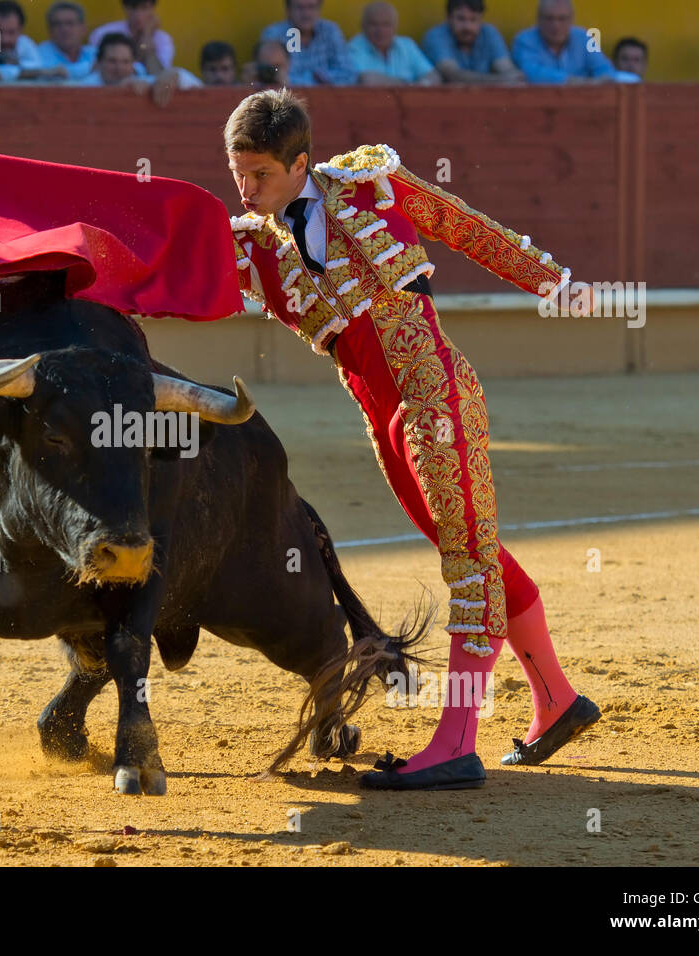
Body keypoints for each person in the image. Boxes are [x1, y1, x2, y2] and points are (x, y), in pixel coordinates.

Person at [225, 88, 599, 789]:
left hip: (435, 392)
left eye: (261, 176)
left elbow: (465, 228)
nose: (246, 190)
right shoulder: (253, 248)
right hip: (380, 415)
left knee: (466, 558)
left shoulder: (371, 185)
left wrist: (553, 283)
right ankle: (557, 702)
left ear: (299, 163)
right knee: (470, 546)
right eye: (237, 174)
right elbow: (174, 278)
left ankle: (457, 738)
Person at [512, 0, 615, 84]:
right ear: (538, 19)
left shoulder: (584, 38)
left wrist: (603, 79)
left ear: (571, 20)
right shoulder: (524, 40)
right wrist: (572, 81)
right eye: (549, 18)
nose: (555, 25)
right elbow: (530, 72)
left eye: (562, 19)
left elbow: (605, 69)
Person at [422, 0, 522, 84]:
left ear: (481, 19)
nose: (467, 27)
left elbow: (507, 69)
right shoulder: (436, 36)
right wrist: (500, 80)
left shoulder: (489, 33)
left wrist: (511, 77)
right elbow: (453, 75)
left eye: (473, 19)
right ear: (448, 18)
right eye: (461, 19)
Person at [261, 0, 355, 86]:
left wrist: (294, 80)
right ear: (288, 10)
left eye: (311, 7)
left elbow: (349, 75)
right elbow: (270, 77)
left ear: (319, 9)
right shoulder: (274, 34)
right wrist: (318, 80)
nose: (306, 14)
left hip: (327, 99)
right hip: (287, 100)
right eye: (300, 8)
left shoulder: (330, 31)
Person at [348, 1, 440, 86]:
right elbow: (367, 79)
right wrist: (409, 86)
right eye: (374, 24)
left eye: (386, 24)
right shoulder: (354, 47)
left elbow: (433, 76)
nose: (380, 30)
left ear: (395, 27)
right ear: (363, 26)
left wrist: (422, 84)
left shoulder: (407, 45)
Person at [0, 0, 67, 80]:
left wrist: (5, 61)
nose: (5, 39)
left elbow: (38, 67)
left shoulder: (24, 43)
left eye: (11, 32)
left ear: (20, 30)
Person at [88, 0, 173, 76]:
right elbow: (94, 71)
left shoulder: (163, 39)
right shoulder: (102, 33)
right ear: (125, 8)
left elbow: (160, 75)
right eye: (133, 8)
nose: (138, 15)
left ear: (152, 9)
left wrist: (146, 35)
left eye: (144, 8)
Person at [37, 2, 96, 79]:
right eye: (57, 24)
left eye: (70, 23)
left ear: (83, 29)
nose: (64, 29)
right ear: (50, 30)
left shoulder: (95, 53)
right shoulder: (38, 54)